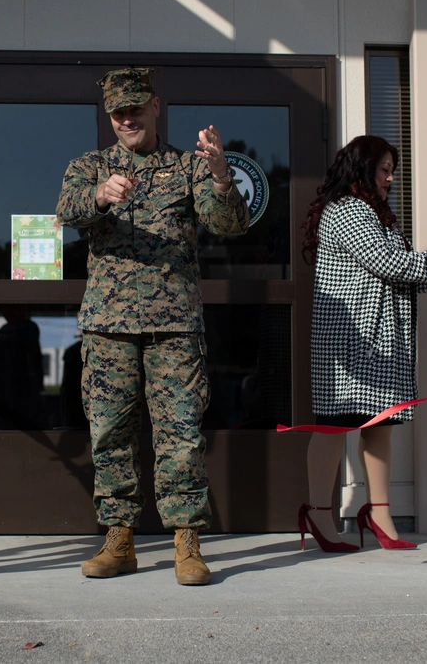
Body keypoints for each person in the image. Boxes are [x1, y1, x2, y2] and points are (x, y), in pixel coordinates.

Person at [56, 67, 250, 585]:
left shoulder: (188, 167)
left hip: (174, 327)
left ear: (155, 107)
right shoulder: (89, 166)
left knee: (180, 435)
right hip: (109, 326)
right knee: (110, 433)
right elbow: (66, 211)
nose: (127, 119)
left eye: (135, 109)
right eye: (118, 112)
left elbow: (229, 224)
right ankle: (119, 539)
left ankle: (187, 541)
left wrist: (220, 175)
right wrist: (100, 196)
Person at [299, 135, 427, 552]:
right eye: (384, 169)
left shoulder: (375, 215)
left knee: (379, 424)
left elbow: (399, 276)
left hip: (379, 338)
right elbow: (389, 263)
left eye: (391, 171)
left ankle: (379, 513)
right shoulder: (347, 210)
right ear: (362, 168)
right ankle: (319, 513)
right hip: (349, 340)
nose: (390, 178)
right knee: (333, 425)